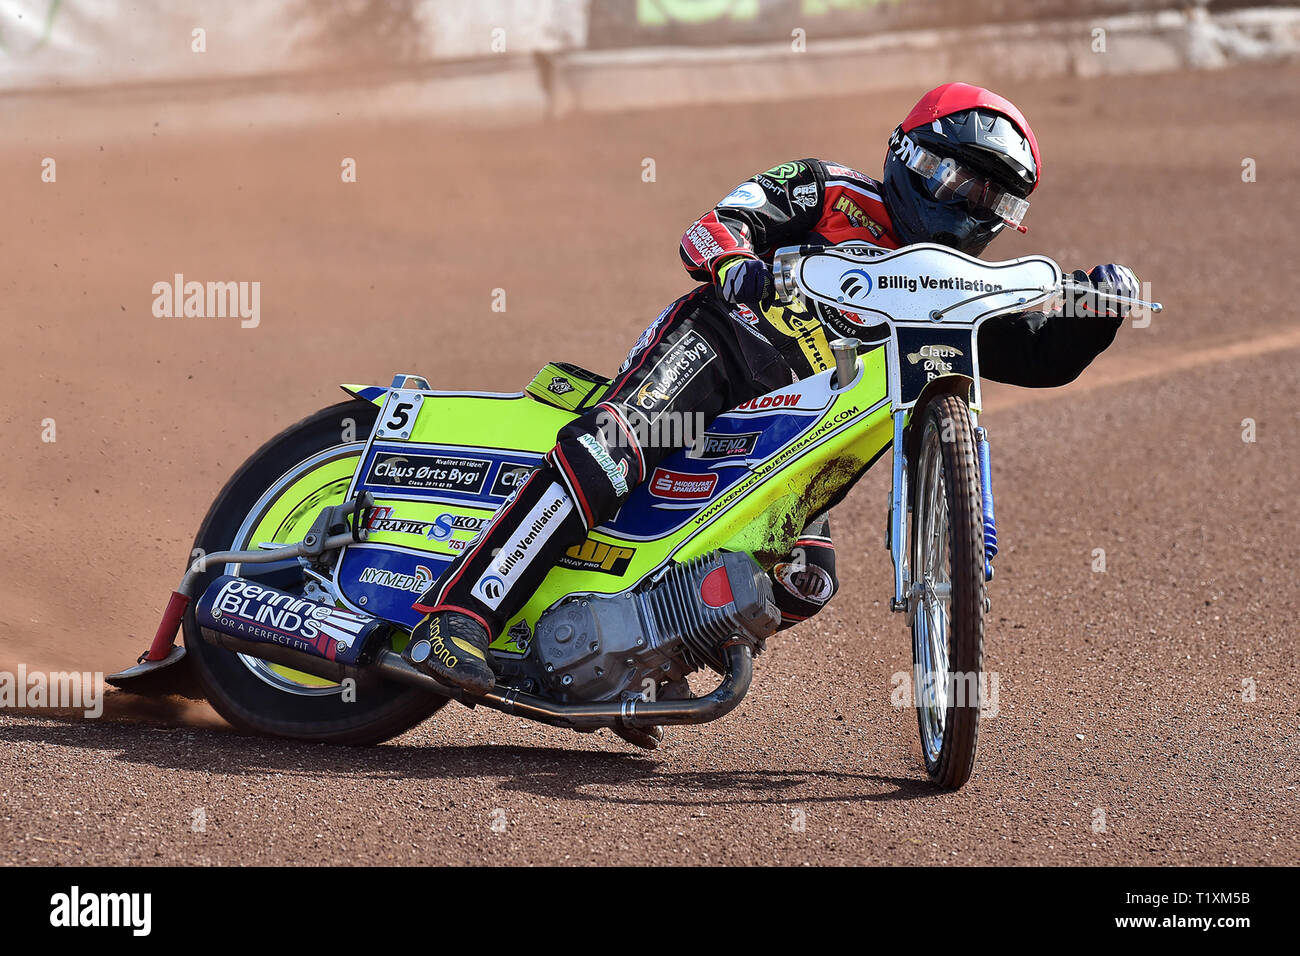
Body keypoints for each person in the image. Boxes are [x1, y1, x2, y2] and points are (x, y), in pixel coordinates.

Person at [402, 81, 1141, 696]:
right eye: (961, 182)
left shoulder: (958, 292)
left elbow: (1039, 357)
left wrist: (1098, 313)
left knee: (805, 581)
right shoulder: (827, 188)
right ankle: (457, 617)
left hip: (793, 427)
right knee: (612, 450)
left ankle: (640, 657)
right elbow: (713, 224)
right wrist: (736, 264)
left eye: (994, 202)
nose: (972, 208)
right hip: (721, 348)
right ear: (911, 156)